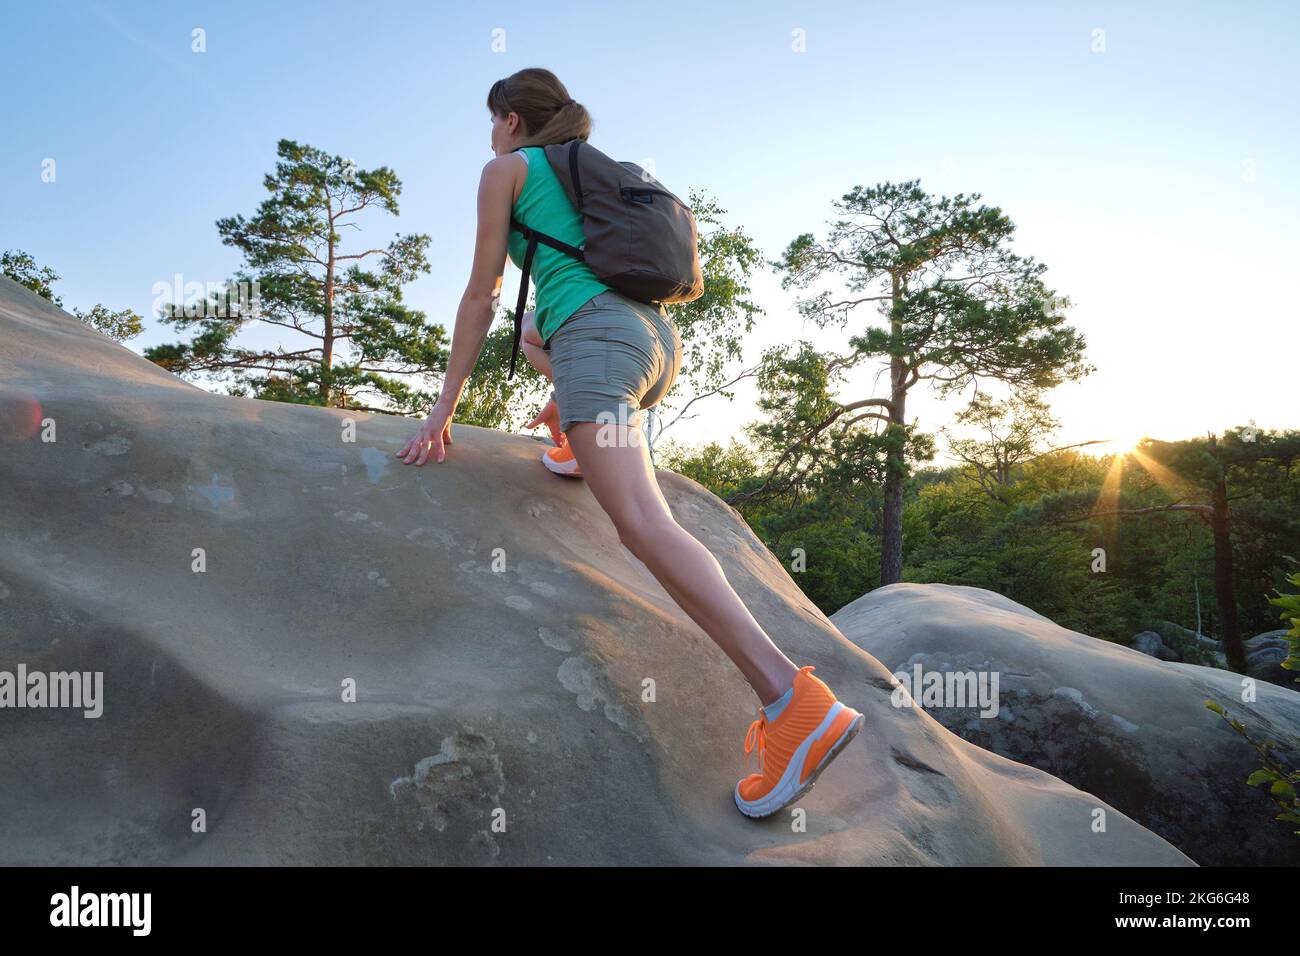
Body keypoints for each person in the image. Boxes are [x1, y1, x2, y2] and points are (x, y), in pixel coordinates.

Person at [395, 67, 863, 818]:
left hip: (599, 348)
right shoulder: (588, 171)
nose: (489, 135)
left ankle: (791, 700)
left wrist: (442, 409)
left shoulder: (505, 170)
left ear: (511, 119)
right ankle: (581, 442)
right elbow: (531, 307)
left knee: (644, 526)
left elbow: (479, 291)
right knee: (534, 328)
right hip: (651, 344)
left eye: (492, 121)